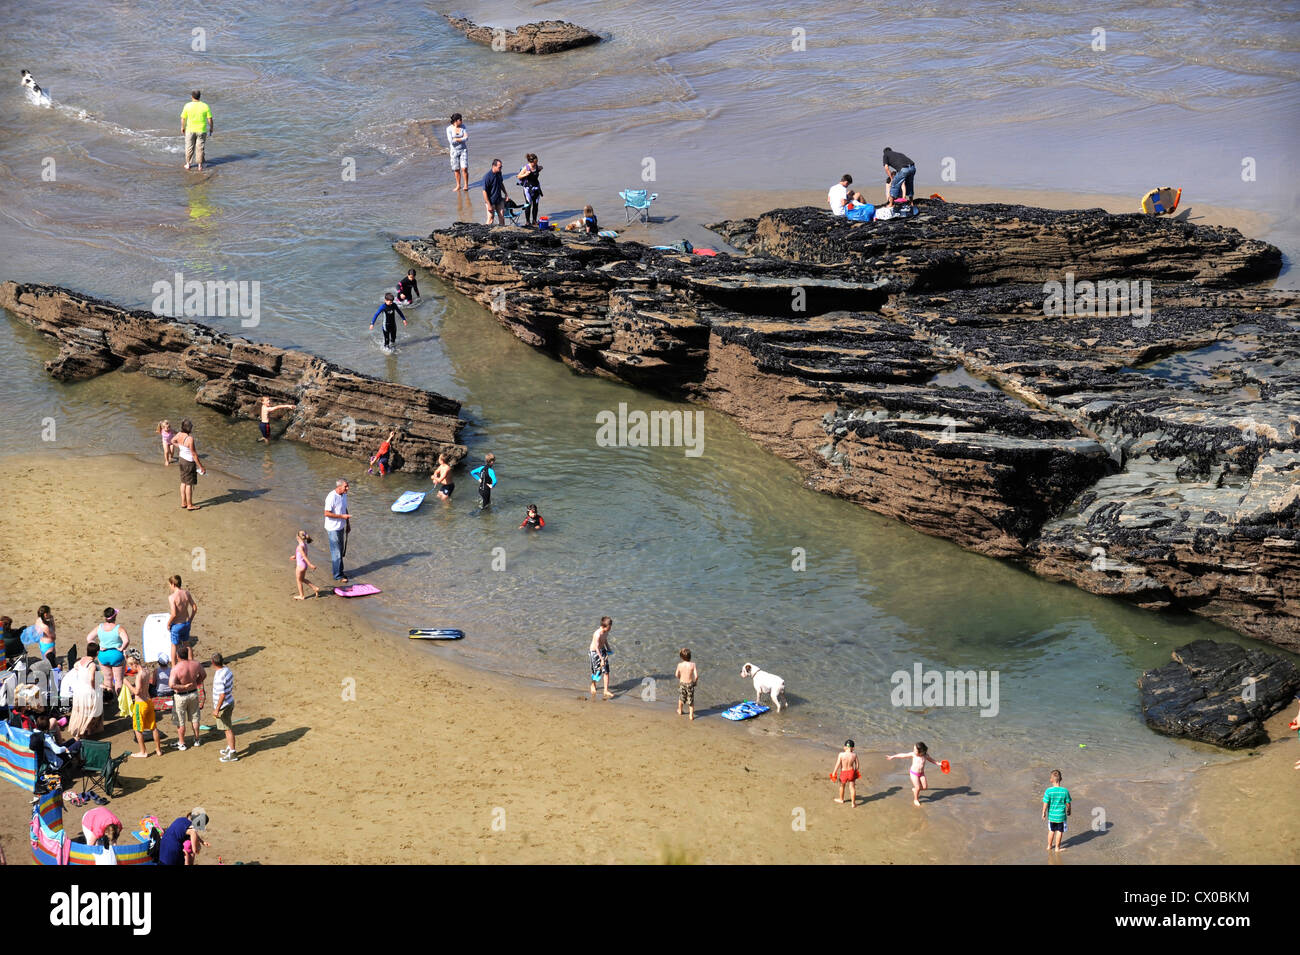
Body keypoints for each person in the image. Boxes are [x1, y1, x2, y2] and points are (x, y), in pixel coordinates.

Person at [169, 645, 205, 750]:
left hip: (181, 696)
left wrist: (183, 686)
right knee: (195, 718)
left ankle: (181, 742)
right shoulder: (196, 664)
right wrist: (196, 683)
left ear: (178, 656)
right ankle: (197, 739)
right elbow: (203, 675)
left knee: (180, 720)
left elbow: (172, 685)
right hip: (193, 693)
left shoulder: (176, 668)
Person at [126, 660, 163, 758]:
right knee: (153, 727)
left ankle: (143, 751)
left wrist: (127, 684)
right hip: (149, 702)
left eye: (130, 665)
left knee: (137, 729)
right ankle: (158, 750)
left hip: (140, 704)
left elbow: (137, 692)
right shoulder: (146, 670)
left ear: (134, 664)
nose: (131, 668)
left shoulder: (139, 675)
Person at [89, 607, 129, 693]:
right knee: (118, 680)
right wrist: (121, 648)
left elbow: (89, 638)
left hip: (103, 655)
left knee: (107, 679)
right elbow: (126, 641)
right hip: (116, 655)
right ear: (115, 616)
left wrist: (98, 647)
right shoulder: (119, 628)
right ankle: (119, 700)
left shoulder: (99, 627)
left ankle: (109, 699)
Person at [887, 741, 941, 807]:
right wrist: (893, 756)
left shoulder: (926, 756)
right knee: (918, 787)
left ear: (921, 751)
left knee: (925, 787)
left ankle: (915, 790)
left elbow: (932, 760)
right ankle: (916, 799)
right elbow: (903, 755)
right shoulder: (913, 754)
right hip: (914, 773)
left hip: (921, 774)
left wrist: (938, 763)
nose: (913, 750)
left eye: (915, 750)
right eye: (914, 749)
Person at [170, 419, 205, 510]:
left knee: (183, 482)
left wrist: (181, 448)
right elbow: (194, 454)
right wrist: (201, 467)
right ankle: (190, 505)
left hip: (181, 460)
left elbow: (172, 441)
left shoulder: (179, 434)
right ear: (189, 428)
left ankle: (183, 503)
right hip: (189, 462)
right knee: (189, 484)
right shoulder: (190, 439)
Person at [324, 478, 351, 583]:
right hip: (333, 528)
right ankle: (338, 575)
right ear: (339, 487)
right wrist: (341, 516)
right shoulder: (331, 497)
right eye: (346, 486)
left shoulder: (344, 495)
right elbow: (326, 513)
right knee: (336, 552)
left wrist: (348, 524)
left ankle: (340, 571)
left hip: (341, 526)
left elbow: (345, 508)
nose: (347, 488)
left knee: (340, 550)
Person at [211, 653, 237, 762]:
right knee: (228, 726)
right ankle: (229, 747)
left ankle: (232, 752)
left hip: (224, 706)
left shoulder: (218, 677)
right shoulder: (227, 669)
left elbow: (222, 695)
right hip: (230, 702)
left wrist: (217, 709)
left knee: (227, 729)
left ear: (213, 663)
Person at [167, 575, 198, 665]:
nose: (169, 586)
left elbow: (174, 614)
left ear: (173, 584)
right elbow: (195, 608)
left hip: (177, 625)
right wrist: (190, 619)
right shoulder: (186, 593)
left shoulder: (172, 597)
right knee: (187, 644)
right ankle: (191, 663)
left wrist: (168, 623)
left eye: (170, 584)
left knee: (174, 645)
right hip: (186, 623)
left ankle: (174, 666)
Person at [181, 90, 213, 171]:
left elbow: (183, 118)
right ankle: (200, 165)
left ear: (192, 97)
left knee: (189, 147)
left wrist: (182, 127)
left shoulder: (187, 105)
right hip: (202, 130)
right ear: (200, 96)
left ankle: (188, 164)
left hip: (190, 130)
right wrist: (211, 128)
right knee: (200, 148)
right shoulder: (205, 106)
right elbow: (210, 119)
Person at [1042, 769, 1071, 851]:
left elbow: (1045, 802)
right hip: (1061, 816)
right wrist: (1069, 810)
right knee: (1059, 831)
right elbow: (1068, 803)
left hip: (1052, 816)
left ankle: (1049, 846)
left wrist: (1043, 812)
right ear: (1061, 779)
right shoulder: (1065, 791)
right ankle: (1057, 848)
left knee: (1051, 830)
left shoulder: (1048, 791)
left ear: (1051, 780)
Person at [588, 616, 614, 700]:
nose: (610, 628)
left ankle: (605, 690)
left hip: (602, 650)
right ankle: (593, 684)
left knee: (606, 671)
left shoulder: (606, 631)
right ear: (603, 626)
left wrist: (608, 648)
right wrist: (601, 659)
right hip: (595, 652)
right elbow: (596, 647)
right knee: (596, 672)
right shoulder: (597, 634)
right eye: (609, 627)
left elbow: (605, 640)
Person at [292, 530, 321, 599]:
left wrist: (310, 565)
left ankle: (301, 595)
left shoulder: (299, 547)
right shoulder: (304, 545)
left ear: (298, 537)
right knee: (302, 579)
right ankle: (315, 588)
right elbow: (300, 554)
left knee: (298, 580)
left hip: (300, 566)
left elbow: (304, 556)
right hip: (304, 566)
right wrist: (295, 556)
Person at [516, 153, 543, 226]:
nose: (536, 164)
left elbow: (539, 169)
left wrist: (540, 168)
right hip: (528, 189)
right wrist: (525, 174)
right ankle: (527, 222)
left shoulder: (537, 167)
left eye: (536, 162)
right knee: (528, 205)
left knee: (536, 205)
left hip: (536, 187)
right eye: (535, 162)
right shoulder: (526, 168)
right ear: (531, 162)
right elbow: (518, 176)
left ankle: (534, 221)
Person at [832, 740, 860, 806]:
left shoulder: (841, 754)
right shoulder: (854, 755)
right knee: (852, 787)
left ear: (844, 747)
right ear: (853, 748)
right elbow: (857, 765)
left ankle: (841, 799)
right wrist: (856, 771)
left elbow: (838, 764)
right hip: (851, 772)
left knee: (842, 786)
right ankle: (853, 803)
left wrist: (834, 772)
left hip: (844, 772)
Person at [482, 158, 508, 225]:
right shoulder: (487, 177)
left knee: (502, 216)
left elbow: (501, 183)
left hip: (499, 199)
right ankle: (485, 233)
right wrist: (489, 205)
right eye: (499, 167)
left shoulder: (499, 173)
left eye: (501, 167)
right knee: (491, 218)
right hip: (490, 201)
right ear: (494, 166)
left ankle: (502, 231)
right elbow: (484, 192)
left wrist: (506, 193)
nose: (501, 168)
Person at [446, 113, 468, 192]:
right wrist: (461, 138)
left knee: (464, 168)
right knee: (456, 169)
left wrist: (457, 139)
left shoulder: (463, 127)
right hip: (454, 151)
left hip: (463, 150)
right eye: (460, 119)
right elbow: (451, 142)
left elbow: (466, 138)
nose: (462, 121)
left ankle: (466, 184)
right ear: (455, 121)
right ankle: (458, 185)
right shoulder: (449, 129)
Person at [675, 648, 698, 720]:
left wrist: (680, 678)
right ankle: (691, 715)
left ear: (681, 657)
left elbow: (676, 674)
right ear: (690, 656)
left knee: (681, 698)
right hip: (690, 684)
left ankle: (680, 710)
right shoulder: (693, 665)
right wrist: (695, 682)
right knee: (691, 700)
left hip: (682, 684)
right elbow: (696, 676)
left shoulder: (679, 665)